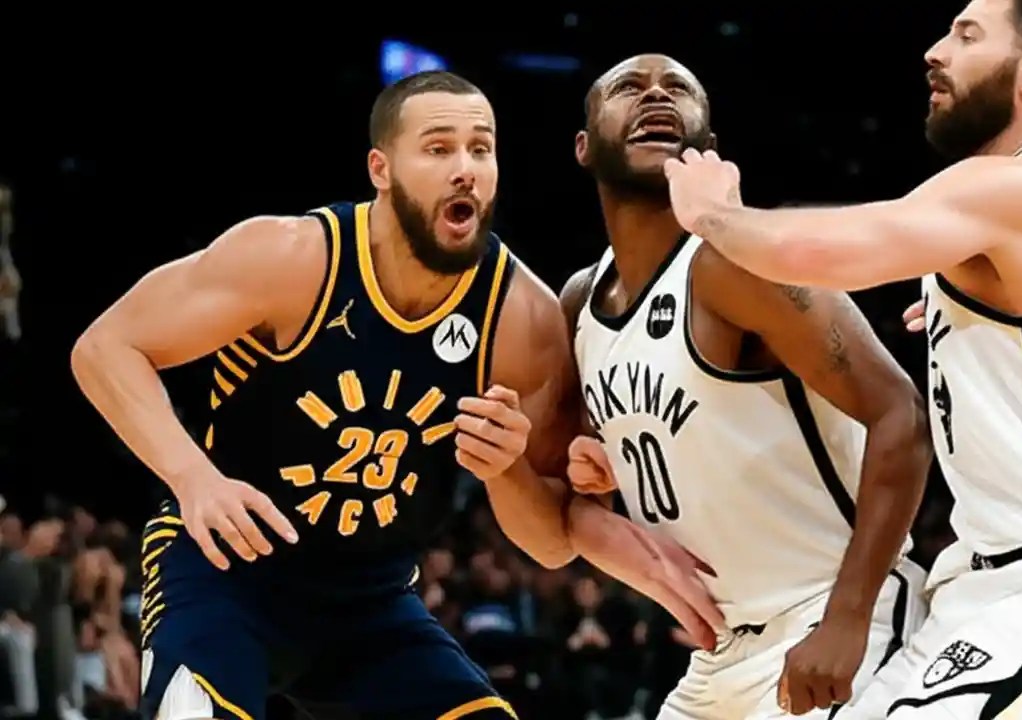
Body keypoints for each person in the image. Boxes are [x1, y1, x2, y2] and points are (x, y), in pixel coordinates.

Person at [71, 70, 720, 720]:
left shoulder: (523, 318)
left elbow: (551, 541)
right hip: (224, 573)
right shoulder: (291, 259)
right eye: (439, 149)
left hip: (372, 603)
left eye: (481, 148)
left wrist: (503, 472)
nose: (465, 168)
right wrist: (194, 478)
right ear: (381, 169)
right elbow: (105, 348)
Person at [660, 0, 1022, 717]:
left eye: (968, 35)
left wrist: (713, 215)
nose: (935, 51)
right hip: (993, 588)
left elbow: (823, 254)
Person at [562, 54, 932, 719]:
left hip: (833, 617)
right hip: (721, 652)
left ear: (709, 148)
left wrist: (847, 619)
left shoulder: (739, 262)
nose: (656, 97)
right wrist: (597, 459)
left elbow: (899, 412)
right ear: (584, 146)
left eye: (678, 88)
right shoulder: (582, 304)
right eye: (629, 88)